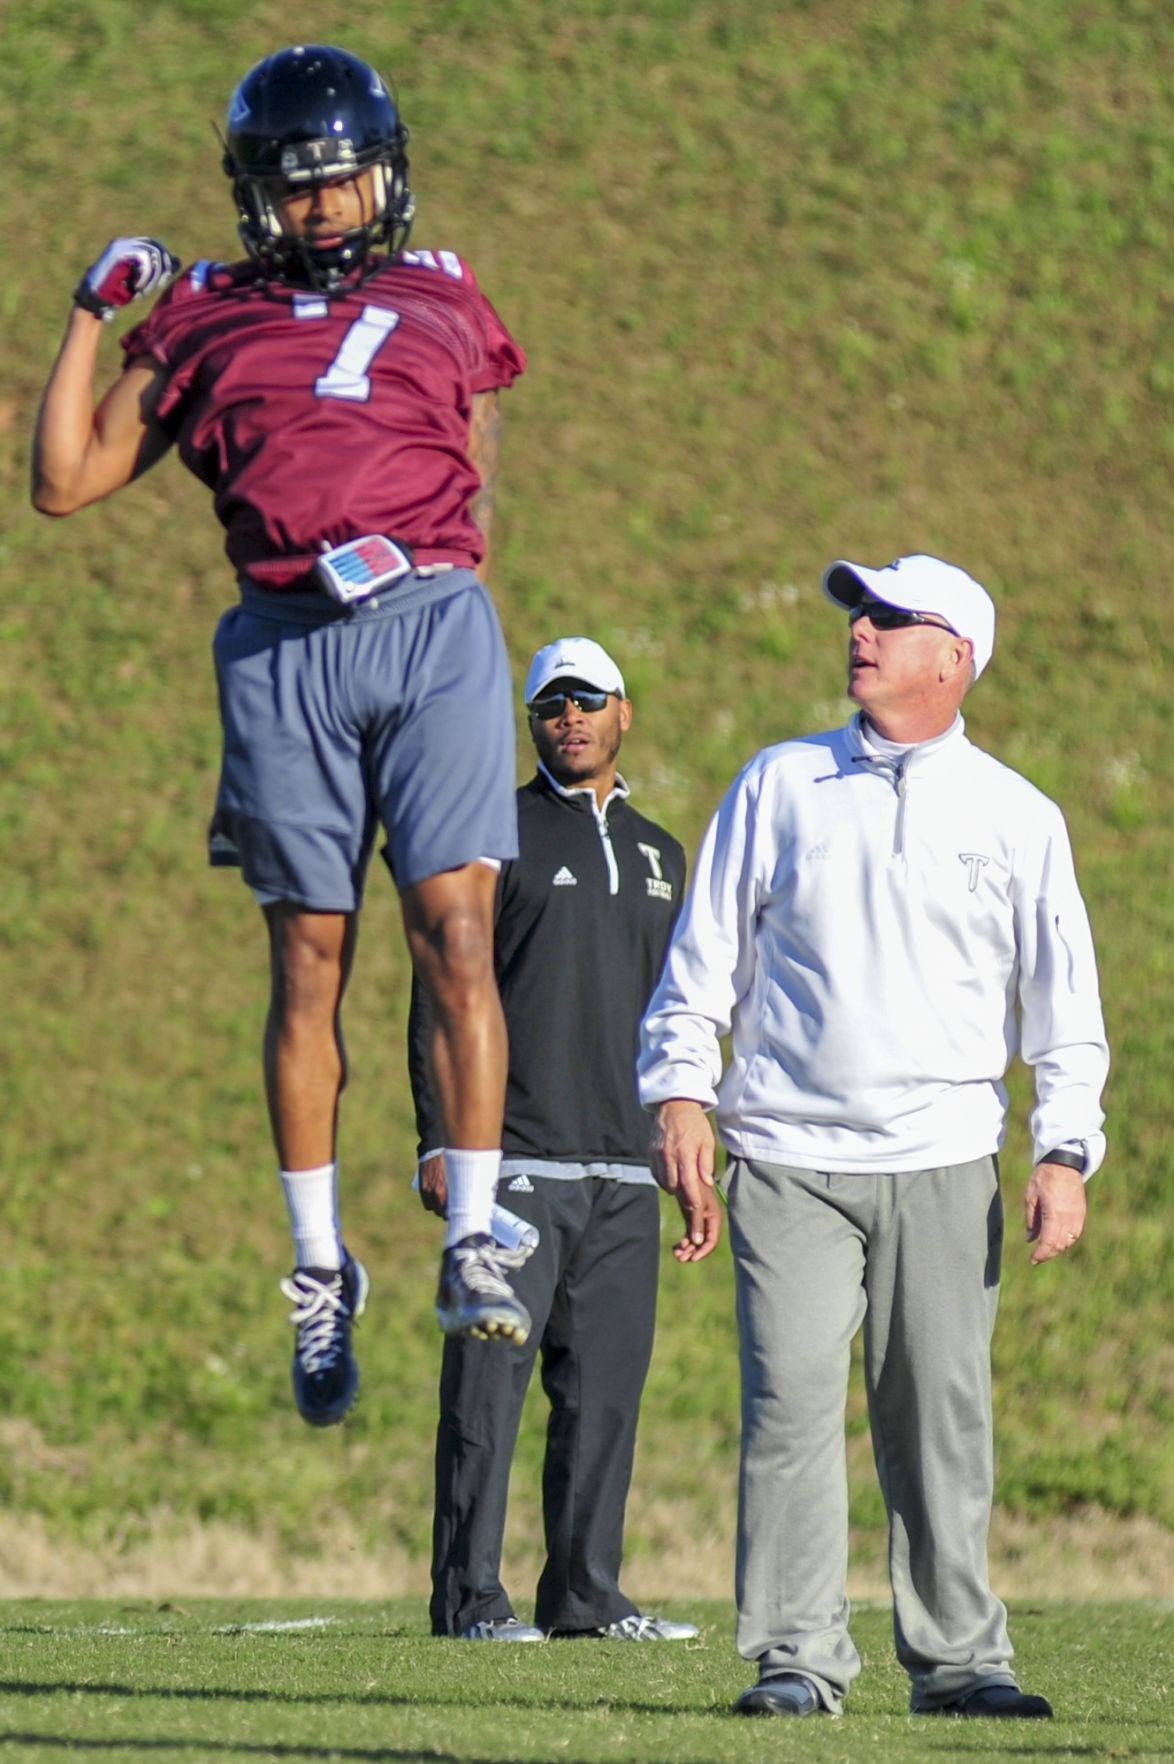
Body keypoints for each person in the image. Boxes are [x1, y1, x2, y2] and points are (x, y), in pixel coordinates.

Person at [30, 44, 532, 1431]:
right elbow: (64, 482)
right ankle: (320, 1268)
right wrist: (88, 317)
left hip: (427, 625)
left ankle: (472, 1235)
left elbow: (476, 452)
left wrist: (440, 574)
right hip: (281, 641)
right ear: (256, 195)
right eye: (298, 184)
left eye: (344, 177)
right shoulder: (202, 312)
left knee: (458, 935)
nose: (324, 203)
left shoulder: (444, 289)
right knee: (308, 960)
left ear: (387, 175)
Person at [639, 554, 1108, 1720]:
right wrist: (681, 1091)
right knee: (788, 1409)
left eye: (891, 617)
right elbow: (700, 962)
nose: (861, 629)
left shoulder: (1016, 815)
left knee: (938, 1422)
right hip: (786, 1158)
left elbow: (1063, 1009)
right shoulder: (779, 782)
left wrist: (1063, 1151)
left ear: (955, 656)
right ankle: (795, 1661)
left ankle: (960, 1664)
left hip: (945, 1162)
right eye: (858, 612)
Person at [410, 637, 703, 1642]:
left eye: (586, 699)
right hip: (512, 1165)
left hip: (624, 1170)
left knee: (604, 1399)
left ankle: (585, 1598)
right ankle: (469, 1601)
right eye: (549, 704)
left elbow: (684, 1014)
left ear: (624, 711)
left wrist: (690, 1149)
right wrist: (437, 1138)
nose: (568, 716)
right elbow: (441, 994)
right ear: (532, 722)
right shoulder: (490, 834)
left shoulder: (664, 854)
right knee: (485, 1392)